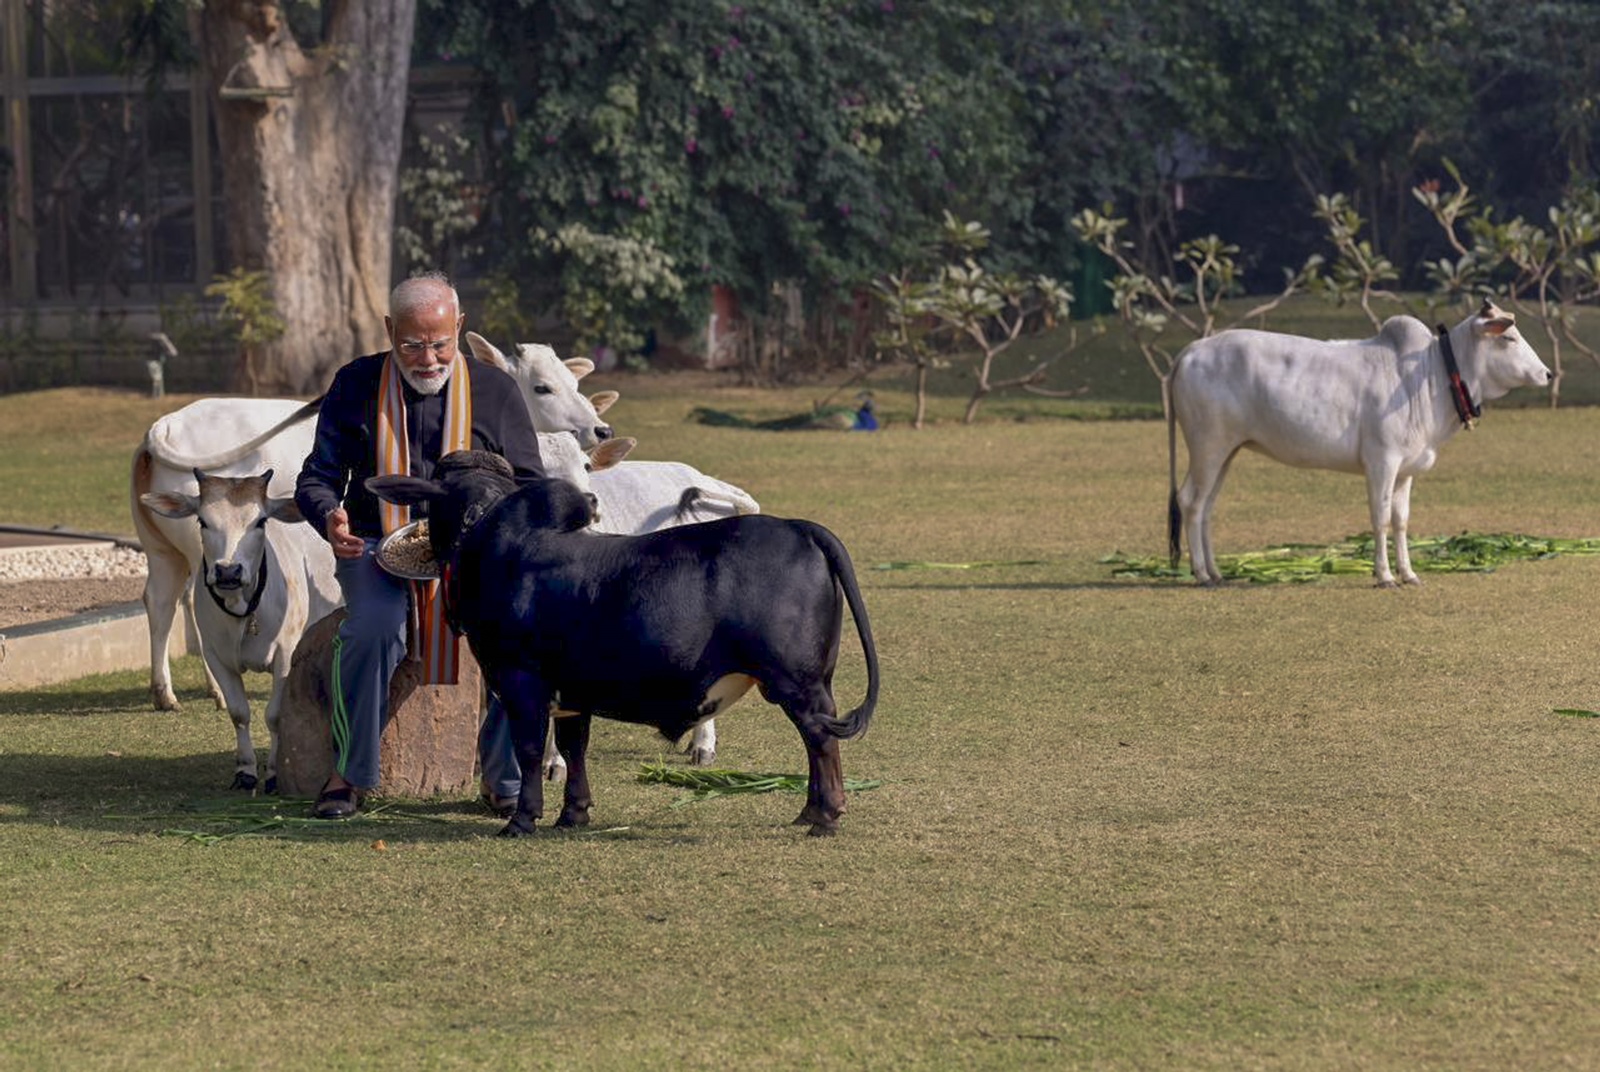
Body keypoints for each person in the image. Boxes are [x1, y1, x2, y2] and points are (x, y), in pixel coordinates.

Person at [294, 272, 544, 819]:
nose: (427, 358)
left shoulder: (496, 391)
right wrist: (330, 518)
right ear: (389, 330)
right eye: (411, 344)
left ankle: (503, 777)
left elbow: (530, 485)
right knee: (371, 631)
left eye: (440, 343)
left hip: (478, 554)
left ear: (459, 327)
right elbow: (316, 477)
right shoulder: (355, 384)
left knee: (519, 636)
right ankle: (350, 774)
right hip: (377, 546)